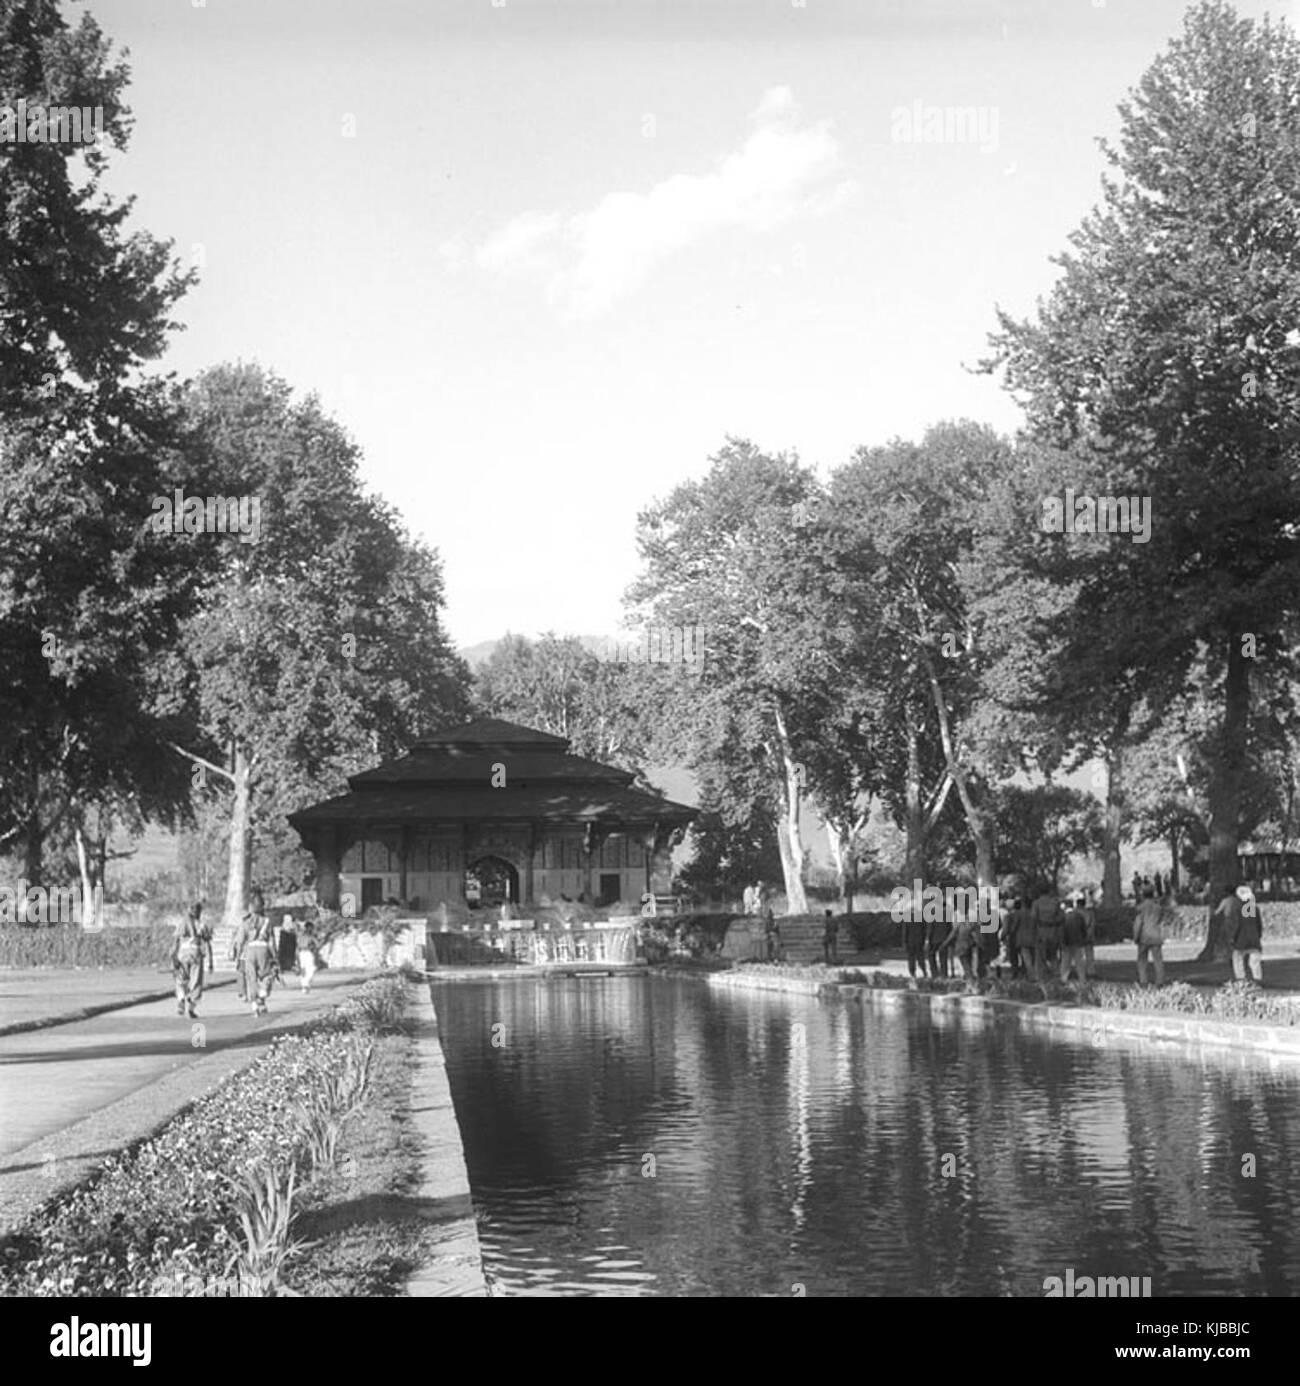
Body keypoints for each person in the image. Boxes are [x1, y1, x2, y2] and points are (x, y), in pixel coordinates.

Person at [232, 889, 279, 1016]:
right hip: (263, 949)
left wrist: (237, 957)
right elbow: (272, 941)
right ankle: (263, 994)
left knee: (251, 978)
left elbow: (240, 942)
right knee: (266, 975)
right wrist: (275, 957)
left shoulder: (246, 922)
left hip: (249, 951)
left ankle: (254, 1005)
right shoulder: (267, 922)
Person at [171, 902, 210, 1019]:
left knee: (180, 979)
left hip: (183, 953)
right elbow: (207, 941)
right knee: (196, 981)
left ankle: (181, 998)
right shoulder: (201, 925)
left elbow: (176, 940)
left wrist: (173, 956)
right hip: (196, 954)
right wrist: (210, 960)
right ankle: (191, 1007)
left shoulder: (182, 922)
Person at [1229, 884, 1264, 986]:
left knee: (1237, 958)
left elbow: (1236, 925)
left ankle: (1241, 979)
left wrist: (1232, 937)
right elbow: (1259, 925)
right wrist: (1258, 935)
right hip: (1254, 938)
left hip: (1241, 939)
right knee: (1254, 961)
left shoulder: (1238, 908)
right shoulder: (1254, 909)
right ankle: (1257, 979)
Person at [1133, 887, 1166, 986]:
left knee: (1142, 960)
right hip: (1155, 935)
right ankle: (1160, 981)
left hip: (1144, 936)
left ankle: (1143, 980)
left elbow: (1138, 923)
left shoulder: (1140, 908)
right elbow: (1160, 921)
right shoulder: (1158, 908)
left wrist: (1136, 936)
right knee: (1158, 960)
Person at [941, 903, 979, 987]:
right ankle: (972, 980)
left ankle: (971, 983)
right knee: (969, 963)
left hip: (961, 947)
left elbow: (952, 935)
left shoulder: (959, 925)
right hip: (969, 946)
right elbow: (975, 935)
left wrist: (944, 944)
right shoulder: (971, 924)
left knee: (966, 965)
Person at [1032, 886, 1062, 977]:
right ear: (1049, 891)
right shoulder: (1055, 902)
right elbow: (1061, 917)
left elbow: (1033, 917)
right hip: (1053, 931)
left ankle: (1040, 974)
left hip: (1041, 930)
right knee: (1053, 955)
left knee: (1040, 955)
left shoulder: (1036, 903)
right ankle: (1056, 972)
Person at [1060, 896, 1088, 984]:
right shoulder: (1079, 916)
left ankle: (1063, 979)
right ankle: (1082, 979)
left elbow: (1062, 930)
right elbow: (1083, 929)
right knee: (1079, 962)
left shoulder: (1063, 917)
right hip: (1078, 942)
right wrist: (1083, 938)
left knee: (1065, 962)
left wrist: (1062, 941)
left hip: (1067, 942)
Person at [1014, 896, 1039, 981]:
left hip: (1022, 938)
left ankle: (1031, 976)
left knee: (1026, 959)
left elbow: (1015, 926)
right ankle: (1034, 975)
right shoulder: (1034, 914)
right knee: (1034, 958)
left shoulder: (1020, 914)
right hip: (1034, 937)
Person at [904, 909, 929, 980]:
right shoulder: (921, 918)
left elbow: (905, 932)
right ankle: (924, 971)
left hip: (910, 941)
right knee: (920, 957)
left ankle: (913, 973)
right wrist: (924, 941)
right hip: (919, 941)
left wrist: (905, 943)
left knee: (911, 958)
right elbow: (924, 930)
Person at [1082, 887, 1099, 979]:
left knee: (1083, 954)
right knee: (1088, 954)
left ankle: (1089, 971)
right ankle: (1090, 971)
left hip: (1085, 935)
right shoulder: (1089, 913)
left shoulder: (1083, 912)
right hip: (1087, 935)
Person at [298, 916, 318, 993]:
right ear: (306, 928)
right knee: (304, 970)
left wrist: (313, 947)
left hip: (309, 953)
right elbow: (298, 946)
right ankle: (304, 986)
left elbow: (317, 944)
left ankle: (306, 984)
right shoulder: (302, 935)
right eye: (309, 928)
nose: (310, 929)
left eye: (311, 928)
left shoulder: (312, 936)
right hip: (302, 953)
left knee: (311, 970)